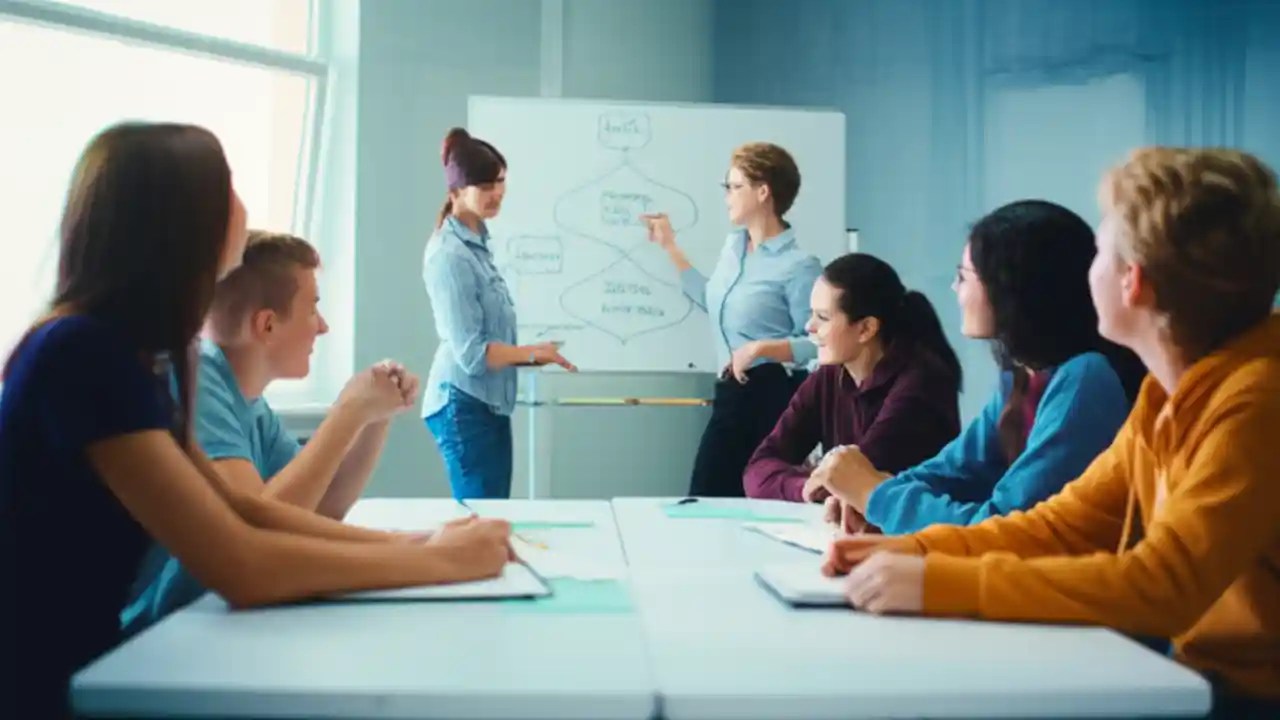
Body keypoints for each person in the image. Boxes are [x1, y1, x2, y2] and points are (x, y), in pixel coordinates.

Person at [0, 123, 511, 718]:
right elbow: (240, 564)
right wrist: (441, 563)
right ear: (183, 219)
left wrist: (416, 542)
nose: (241, 205)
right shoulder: (84, 354)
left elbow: (245, 509)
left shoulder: (133, 355)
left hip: (89, 670)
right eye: (228, 185)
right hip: (47, 690)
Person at [824, 147, 1280, 718]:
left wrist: (938, 582)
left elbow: (1165, 583)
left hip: (1244, 699)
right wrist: (910, 548)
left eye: (1101, 252)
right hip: (1195, 681)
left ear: (1132, 281)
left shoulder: (1257, 399)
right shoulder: (1166, 394)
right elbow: (1063, 526)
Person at [121, 231, 420, 635]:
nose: (323, 326)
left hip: (214, 620)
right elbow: (256, 527)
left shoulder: (251, 403)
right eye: (312, 309)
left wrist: (375, 416)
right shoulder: (198, 379)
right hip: (166, 631)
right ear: (267, 324)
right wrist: (348, 412)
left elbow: (321, 508)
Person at [816, 200, 1145, 535]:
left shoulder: (1087, 379)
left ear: (1008, 287)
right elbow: (956, 470)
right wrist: (872, 498)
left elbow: (1004, 528)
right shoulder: (1021, 376)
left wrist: (876, 496)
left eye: (963, 276)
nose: (954, 288)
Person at [643, 142, 821, 497]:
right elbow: (715, 304)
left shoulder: (799, 266)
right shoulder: (733, 249)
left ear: (763, 192)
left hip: (770, 399)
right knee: (706, 498)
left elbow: (821, 343)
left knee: (746, 502)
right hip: (730, 395)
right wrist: (670, 247)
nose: (727, 196)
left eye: (735, 186)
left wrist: (762, 348)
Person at [422, 127, 576, 500]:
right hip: (463, 406)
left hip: (486, 404)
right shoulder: (450, 255)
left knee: (496, 513)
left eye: (501, 180)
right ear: (457, 190)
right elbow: (472, 355)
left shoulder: (478, 244)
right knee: (483, 518)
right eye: (485, 184)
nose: (497, 192)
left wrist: (533, 354)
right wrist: (531, 353)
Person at [743, 253, 961, 515]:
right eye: (812, 314)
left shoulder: (921, 383)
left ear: (866, 329)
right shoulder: (829, 376)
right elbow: (758, 468)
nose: (809, 327)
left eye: (823, 317)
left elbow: (850, 480)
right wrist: (803, 487)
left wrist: (817, 482)